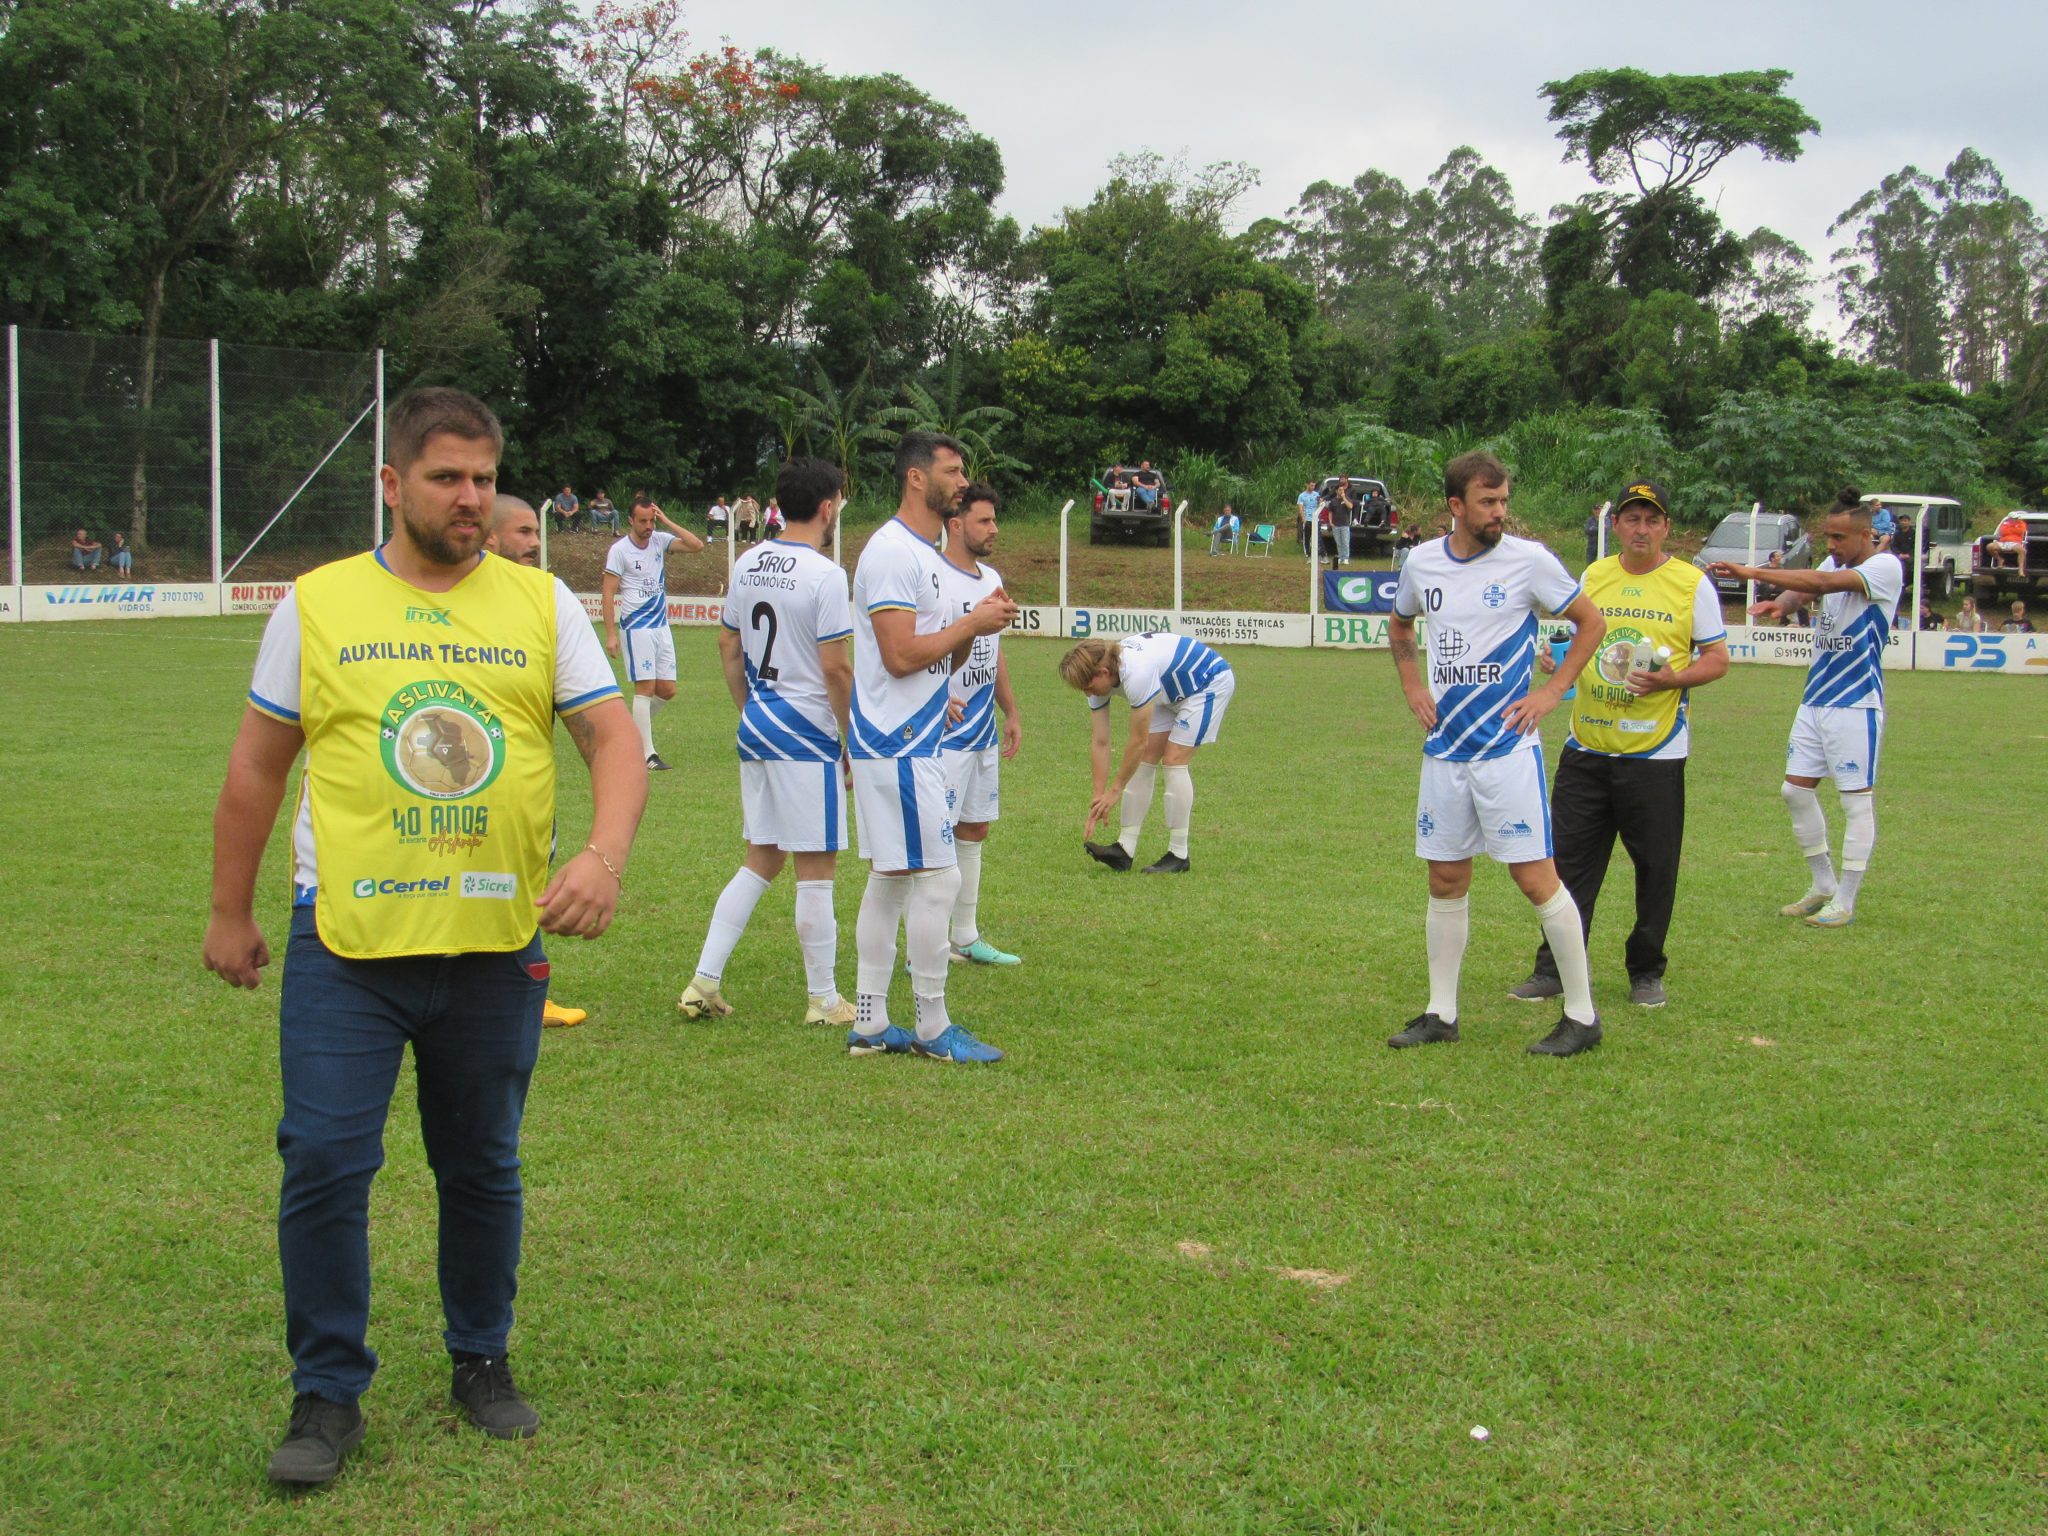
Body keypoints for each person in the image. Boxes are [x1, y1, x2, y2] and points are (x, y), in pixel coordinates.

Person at [202, 388, 646, 1487]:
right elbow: (259, 767)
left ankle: (480, 1359)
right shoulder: (316, 605)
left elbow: (613, 740)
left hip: (494, 944)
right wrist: (228, 910)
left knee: (482, 1165)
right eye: (447, 477)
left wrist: (602, 857)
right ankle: (325, 1394)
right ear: (391, 484)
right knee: (321, 1160)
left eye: (486, 477)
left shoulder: (542, 604)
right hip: (346, 945)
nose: (471, 497)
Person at [1386, 450, 1608, 1055]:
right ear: (1455, 506)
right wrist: (1412, 684)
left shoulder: (1528, 561)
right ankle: (1441, 1012)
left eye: (1504, 500)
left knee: (1535, 878)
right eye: (1488, 502)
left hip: (1507, 749)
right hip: (1445, 751)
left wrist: (1552, 691)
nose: (1499, 512)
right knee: (1446, 877)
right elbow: (1400, 625)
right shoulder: (1423, 563)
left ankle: (1583, 1017)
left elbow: (1591, 622)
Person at [1510, 480, 1729, 1012]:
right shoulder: (1594, 575)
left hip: (1654, 753)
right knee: (1567, 866)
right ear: (1616, 526)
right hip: (1587, 748)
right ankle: (1554, 968)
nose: (1641, 529)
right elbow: (1577, 640)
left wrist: (1668, 681)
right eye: (1632, 519)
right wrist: (1556, 662)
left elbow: (1718, 659)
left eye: (1652, 520)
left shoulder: (1690, 583)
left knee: (1655, 866)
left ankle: (1646, 970)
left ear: (1666, 528)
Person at [845, 431, 1017, 1063]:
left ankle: (869, 1023)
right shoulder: (893, 552)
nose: (962, 480)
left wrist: (976, 625)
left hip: (905, 734)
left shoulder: (922, 555)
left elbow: (936, 652)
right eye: (952, 470)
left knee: (891, 876)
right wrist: (970, 623)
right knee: (938, 878)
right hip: (900, 744)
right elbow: (896, 656)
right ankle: (932, 1029)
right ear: (917, 479)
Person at [678, 457, 859, 1027]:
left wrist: (750, 710)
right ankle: (824, 999)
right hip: (806, 734)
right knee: (816, 865)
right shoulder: (828, 575)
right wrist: (850, 741)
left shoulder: (749, 560)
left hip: (759, 725)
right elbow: (836, 669)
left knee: (762, 857)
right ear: (828, 506)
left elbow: (727, 647)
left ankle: (704, 980)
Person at [1710, 485, 1903, 930]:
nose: (1831, 547)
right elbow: (1807, 590)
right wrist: (1780, 603)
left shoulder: (1884, 566)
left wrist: (1750, 572)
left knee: (1856, 804)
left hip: (1855, 704)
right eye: (1828, 538)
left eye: (1838, 539)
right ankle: (1822, 885)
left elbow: (1819, 583)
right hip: (1815, 700)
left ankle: (1846, 900)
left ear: (1864, 534)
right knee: (1794, 791)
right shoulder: (1837, 562)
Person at [485, 492, 594, 1030]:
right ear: (489, 537)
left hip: (524, 794)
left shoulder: (545, 602)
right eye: (523, 533)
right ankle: (520, 991)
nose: (534, 543)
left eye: (536, 531)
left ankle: (526, 990)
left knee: (525, 879)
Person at [1062, 629, 1234, 876]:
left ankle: (1179, 854)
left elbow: (1138, 740)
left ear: (1104, 673)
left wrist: (1115, 790)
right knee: (1146, 760)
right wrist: (1099, 797)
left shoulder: (1137, 674)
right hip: (1168, 690)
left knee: (1174, 759)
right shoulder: (1103, 675)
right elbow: (1100, 741)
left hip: (1207, 684)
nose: (1088, 694)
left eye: (1089, 687)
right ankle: (1124, 849)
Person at [938, 483, 1024, 965]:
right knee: (937, 835)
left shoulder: (991, 577)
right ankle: (925, 946)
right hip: (943, 731)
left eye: (995, 520)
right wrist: (935, 695)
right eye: (984, 521)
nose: (994, 529)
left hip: (982, 727)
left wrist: (1009, 710)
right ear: (956, 524)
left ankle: (965, 937)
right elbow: (917, 647)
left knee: (974, 829)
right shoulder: (933, 577)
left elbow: (993, 650)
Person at [601, 496, 706, 771]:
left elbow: (697, 546)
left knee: (667, 690)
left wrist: (668, 521)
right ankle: (646, 754)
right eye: (643, 521)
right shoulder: (619, 550)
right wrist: (611, 635)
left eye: (652, 520)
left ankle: (627, 732)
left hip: (661, 626)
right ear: (631, 521)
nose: (648, 526)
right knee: (645, 688)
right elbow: (608, 592)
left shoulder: (660, 540)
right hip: (637, 626)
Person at [1988, 512, 2028, 576]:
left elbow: (2019, 531)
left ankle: (2020, 570)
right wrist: (2013, 527)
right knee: (1989, 546)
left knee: (2022, 550)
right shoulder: (2004, 523)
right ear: (2009, 519)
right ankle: (2000, 559)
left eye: (2016, 518)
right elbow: (2003, 532)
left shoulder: (2022, 523)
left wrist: (2011, 528)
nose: (2016, 519)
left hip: (2015, 542)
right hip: (2003, 542)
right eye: (2013, 518)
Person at [1327, 480, 1356, 567]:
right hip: (1336, 525)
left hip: (1344, 524)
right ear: (1336, 491)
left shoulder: (1347, 499)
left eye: (1343, 490)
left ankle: (1346, 558)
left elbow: (1351, 506)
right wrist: (1330, 522)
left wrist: (1344, 498)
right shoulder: (1333, 501)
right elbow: (1330, 512)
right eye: (1340, 490)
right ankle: (1340, 556)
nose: (1341, 491)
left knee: (1345, 542)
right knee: (1338, 542)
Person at [1297, 481, 1319, 557]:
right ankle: (1307, 553)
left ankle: (1315, 552)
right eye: (1311, 485)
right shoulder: (1302, 496)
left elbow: (1319, 504)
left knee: (1316, 537)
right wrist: (1303, 519)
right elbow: (1300, 508)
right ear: (1307, 485)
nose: (1313, 487)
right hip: (1307, 519)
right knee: (1307, 536)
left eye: (1314, 486)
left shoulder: (1316, 494)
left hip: (1315, 519)